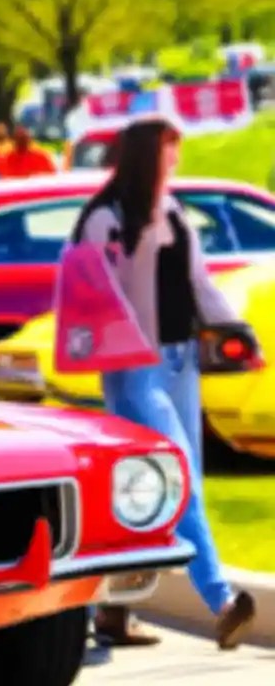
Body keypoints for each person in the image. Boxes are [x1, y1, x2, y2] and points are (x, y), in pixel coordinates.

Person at [71, 116, 257, 650]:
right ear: (147, 155)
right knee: (177, 479)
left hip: (181, 362)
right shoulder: (104, 219)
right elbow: (94, 298)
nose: (176, 159)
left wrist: (237, 334)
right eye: (169, 150)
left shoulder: (172, 210)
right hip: (135, 367)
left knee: (152, 485)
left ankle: (110, 610)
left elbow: (199, 281)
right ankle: (221, 601)